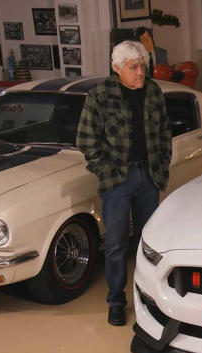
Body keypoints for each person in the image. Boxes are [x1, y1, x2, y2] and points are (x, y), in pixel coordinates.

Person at [77, 40, 172, 326]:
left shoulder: (154, 91)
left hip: (149, 177)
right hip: (118, 180)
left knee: (149, 244)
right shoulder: (100, 95)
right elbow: (86, 139)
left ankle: (149, 299)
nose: (140, 73)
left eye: (142, 66)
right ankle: (116, 301)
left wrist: (161, 165)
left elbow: (164, 132)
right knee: (117, 243)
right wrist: (105, 171)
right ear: (117, 68)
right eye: (133, 67)